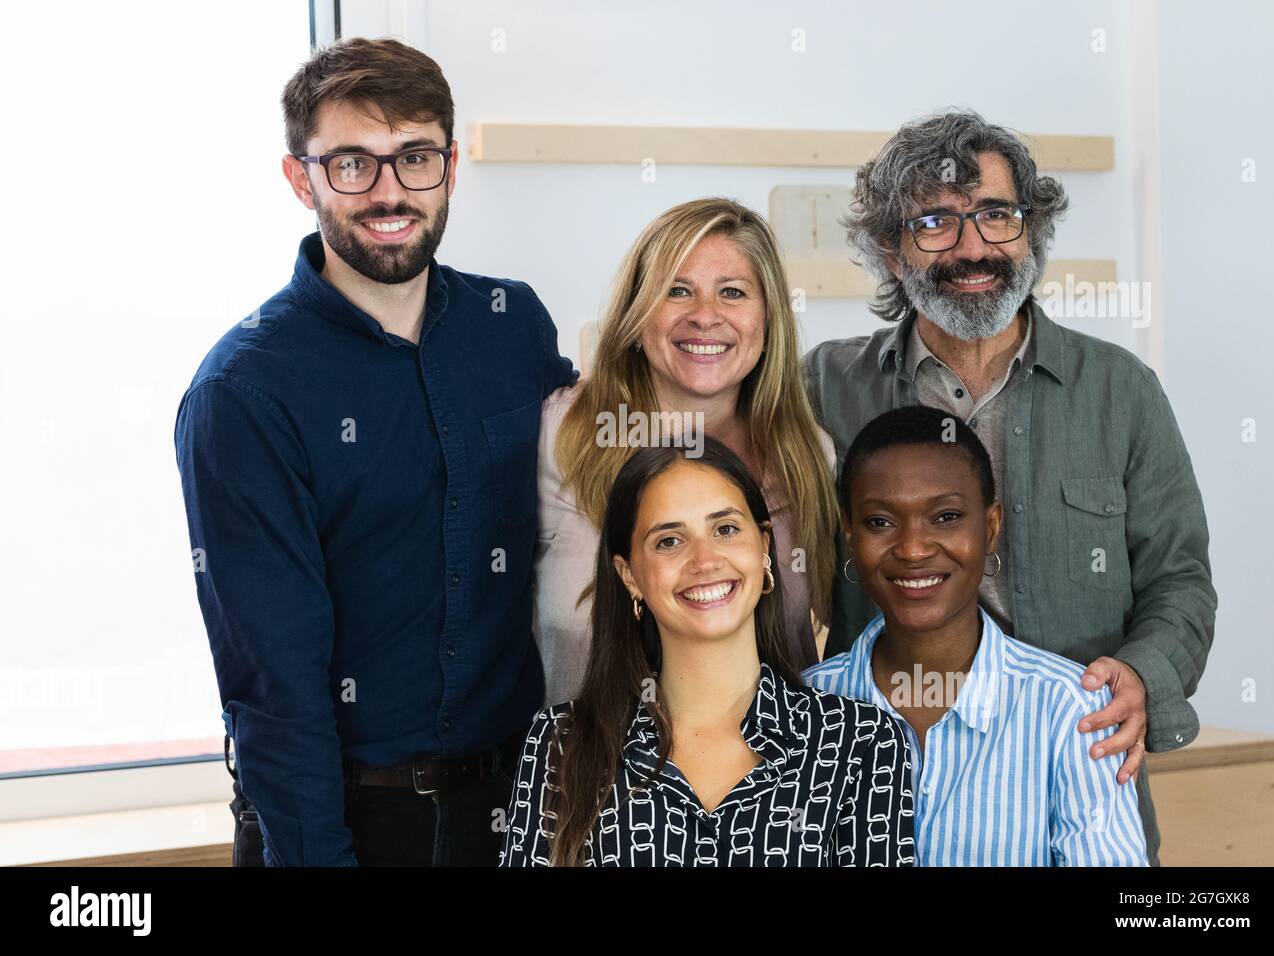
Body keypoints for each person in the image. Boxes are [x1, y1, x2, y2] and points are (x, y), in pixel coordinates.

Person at [173, 37, 577, 866]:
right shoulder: (244, 395)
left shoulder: (514, 326)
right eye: (352, 163)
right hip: (349, 823)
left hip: (520, 804)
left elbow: (593, 496)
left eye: (415, 157)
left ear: (452, 166)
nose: (390, 191)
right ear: (301, 179)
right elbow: (272, 690)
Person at [803, 109, 1216, 864]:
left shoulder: (1120, 391)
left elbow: (1181, 583)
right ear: (892, 253)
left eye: (995, 215)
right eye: (935, 222)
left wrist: (1140, 676)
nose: (972, 248)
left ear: (1032, 230)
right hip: (880, 776)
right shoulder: (824, 388)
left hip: (1084, 776)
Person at [501, 439, 915, 866]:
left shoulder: (861, 742)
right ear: (630, 576)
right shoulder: (560, 742)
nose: (704, 560)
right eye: (669, 541)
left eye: (725, 529)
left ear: (763, 546)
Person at [805, 406, 1147, 865]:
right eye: (880, 522)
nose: (912, 549)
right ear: (849, 532)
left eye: (945, 516)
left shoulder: (1068, 709)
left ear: (990, 528)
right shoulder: (803, 705)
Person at [535, 198, 840, 707]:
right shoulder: (556, 436)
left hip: (765, 777)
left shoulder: (808, 455)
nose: (705, 317)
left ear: (768, 319)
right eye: (677, 291)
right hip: (581, 770)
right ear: (638, 313)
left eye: (733, 293)